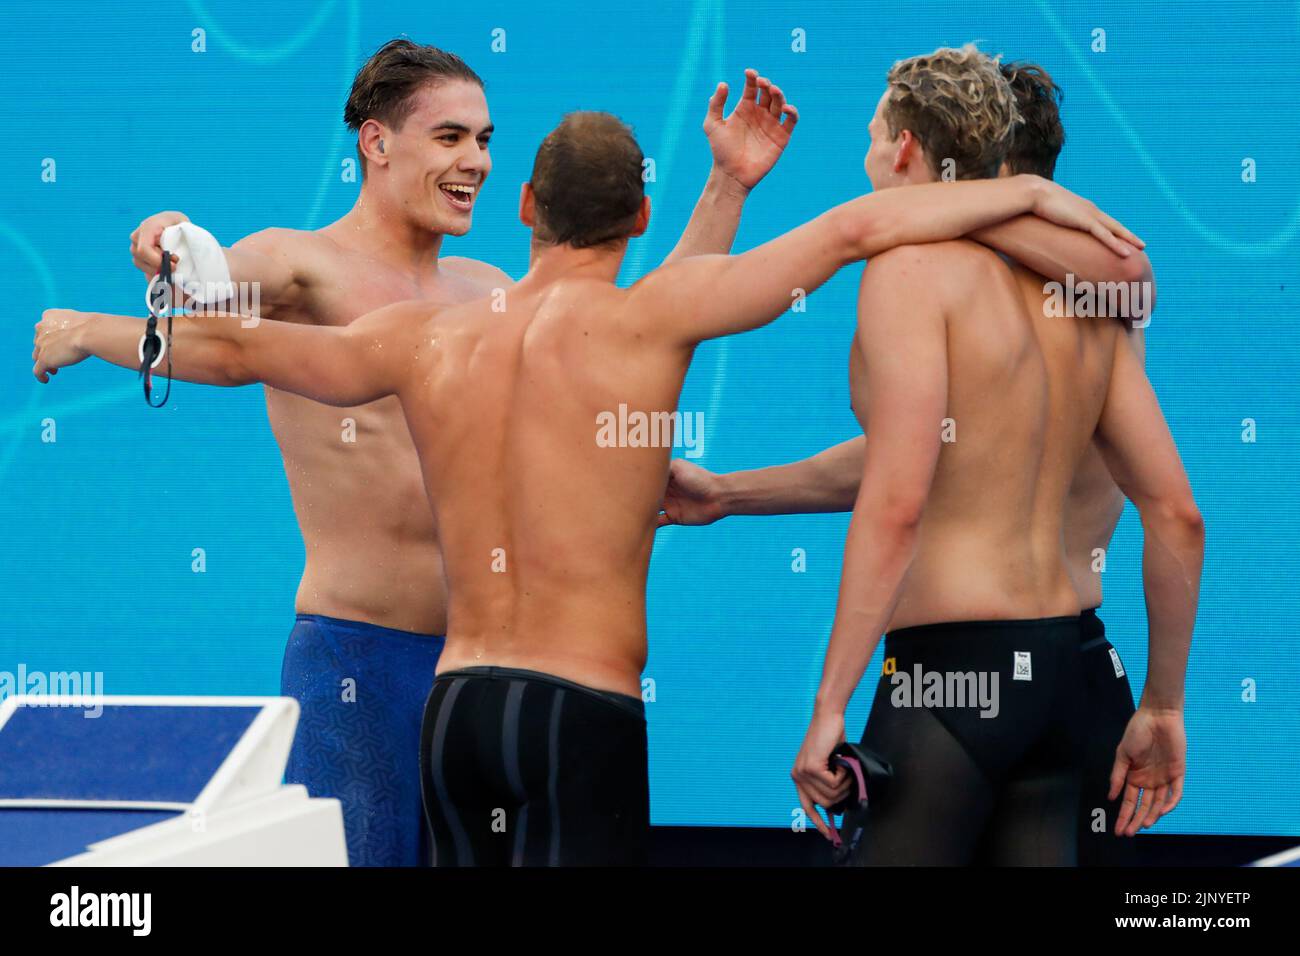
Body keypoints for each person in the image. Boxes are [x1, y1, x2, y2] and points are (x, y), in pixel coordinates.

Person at [35, 103, 1138, 864]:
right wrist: (1020, 191)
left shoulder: (430, 338)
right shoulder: (649, 320)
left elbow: (235, 350)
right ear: (641, 221)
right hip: (579, 714)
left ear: (524, 207)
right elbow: (856, 228)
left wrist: (87, 328)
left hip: (456, 708)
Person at [31, 39, 806, 867]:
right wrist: (170, 248)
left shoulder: (486, 290)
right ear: (376, 143)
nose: (474, 159)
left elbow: (647, 325)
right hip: (357, 663)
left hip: (476, 680)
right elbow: (221, 302)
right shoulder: (303, 267)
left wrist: (726, 187)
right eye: (450, 138)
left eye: (484, 140)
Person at [661, 61, 1162, 865]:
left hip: (951, 675)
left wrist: (830, 705)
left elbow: (898, 497)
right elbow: (953, 450)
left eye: (869, 140)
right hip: (1074, 667)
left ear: (903, 151)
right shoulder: (1097, 301)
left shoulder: (911, 271)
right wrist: (729, 491)